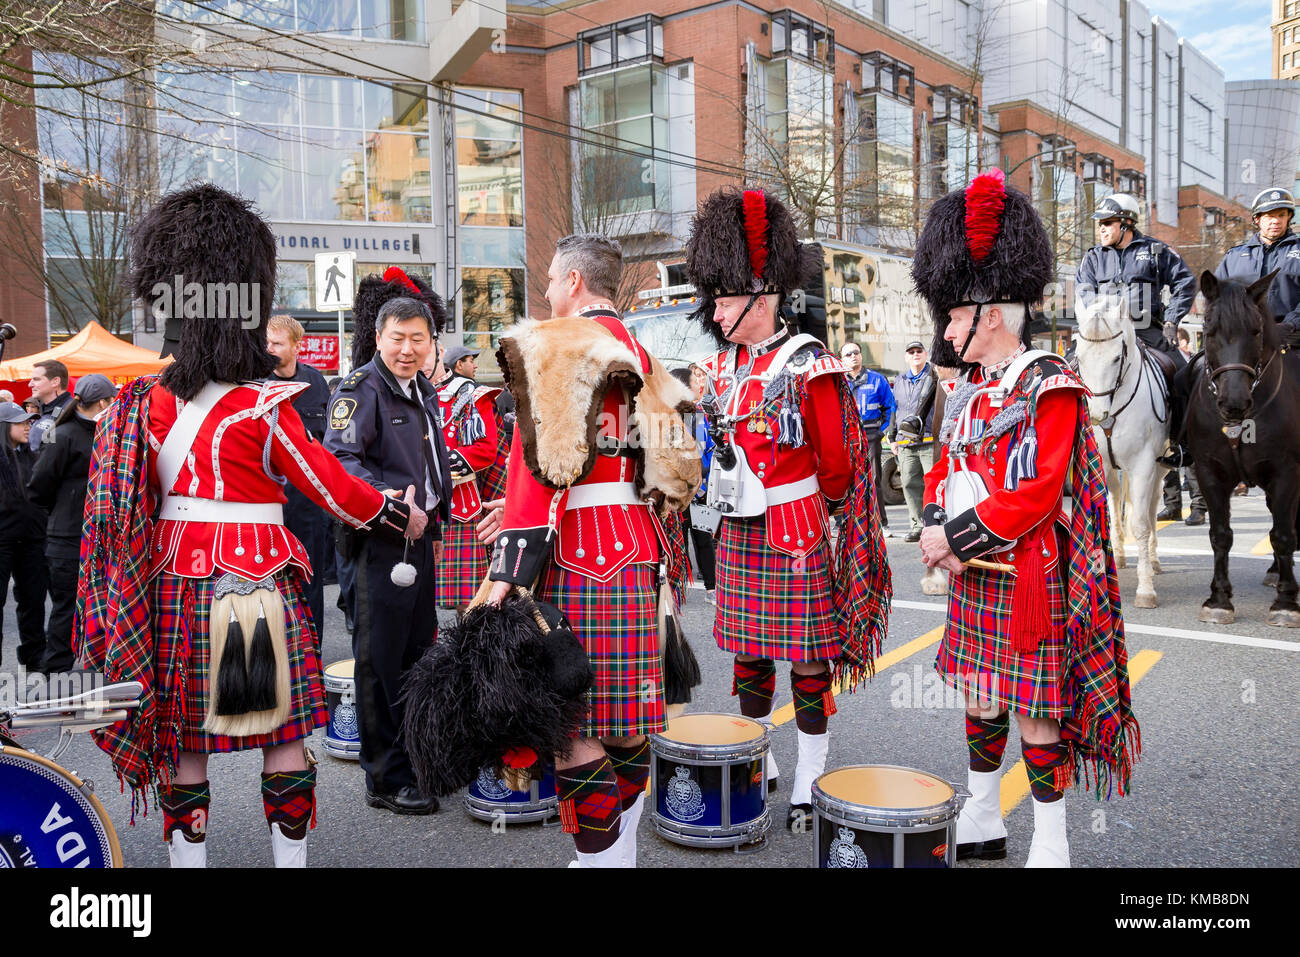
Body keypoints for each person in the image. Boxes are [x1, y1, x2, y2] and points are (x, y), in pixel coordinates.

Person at [74, 184, 425, 868]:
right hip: (259, 576)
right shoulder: (265, 406)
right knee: (280, 735)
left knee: (186, 740)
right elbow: (332, 487)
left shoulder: (142, 403)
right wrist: (395, 511)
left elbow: (127, 509)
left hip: (173, 580)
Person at [912, 168, 1139, 867]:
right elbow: (946, 463)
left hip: (1032, 582)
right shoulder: (972, 389)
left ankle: (1052, 840)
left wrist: (949, 535)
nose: (946, 329)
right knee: (981, 698)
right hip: (976, 577)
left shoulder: (1054, 384)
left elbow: (1040, 492)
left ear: (994, 312)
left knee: (1038, 715)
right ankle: (982, 818)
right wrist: (931, 519)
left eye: (955, 315)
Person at [477, 232, 699, 867]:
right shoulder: (642, 351)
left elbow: (541, 461)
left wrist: (509, 568)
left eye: (550, 281)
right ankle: (611, 858)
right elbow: (678, 468)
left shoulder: (554, 342)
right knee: (625, 725)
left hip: (575, 551)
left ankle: (602, 862)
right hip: (639, 548)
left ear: (573, 282)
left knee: (570, 730)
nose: (545, 293)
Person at [686, 188, 891, 831]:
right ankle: (756, 758)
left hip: (795, 526)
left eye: (723, 300)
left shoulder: (813, 365)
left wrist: (822, 516)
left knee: (806, 657)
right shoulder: (720, 370)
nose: (714, 312)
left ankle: (809, 773)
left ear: (760, 295)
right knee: (747, 655)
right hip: (739, 530)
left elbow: (836, 465)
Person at [325, 293, 452, 817]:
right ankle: (385, 778)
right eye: (397, 338)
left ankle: (417, 761)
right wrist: (386, 502)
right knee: (379, 663)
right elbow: (340, 459)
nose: (406, 348)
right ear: (377, 338)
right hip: (379, 546)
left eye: (417, 339)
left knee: (418, 656)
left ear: (430, 343)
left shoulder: (420, 387)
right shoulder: (359, 389)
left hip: (419, 543)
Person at [27, 374, 116, 673]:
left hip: (95, 534)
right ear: (103, 402)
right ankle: (56, 669)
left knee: (99, 600)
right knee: (66, 605)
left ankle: (97, 662)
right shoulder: (61, 432)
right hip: (67, 536)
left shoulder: (107, 430)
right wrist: (64, 509)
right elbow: (39, 483)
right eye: (112, 399)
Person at [265, 315, 332, 640]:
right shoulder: (254, 382)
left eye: (277, 343)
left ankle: (311, 649)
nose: (269, 349)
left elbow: (326, 443)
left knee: (310, 581)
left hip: (308, 505)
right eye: (267, 342)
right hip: (268, 506)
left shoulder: (315, 382)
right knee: (270, 583)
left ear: (296, 345)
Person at [432, 343, 506, 615]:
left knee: (471, 602)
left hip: (458, 505)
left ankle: (470, 653)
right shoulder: (402, 392)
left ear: (438, 348)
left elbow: (486, 451)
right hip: (413, 503)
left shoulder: (470, 394)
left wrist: (432, 466)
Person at [1215, 187, 1300, 345]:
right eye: (1269, 216)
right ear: (1257, 219)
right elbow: (1217, 297)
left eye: (1281, 215)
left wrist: (1291, 324)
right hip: (1241, 343)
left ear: (1289, 217)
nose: (1276, 221)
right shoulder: (1234, 257)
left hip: (1292, 340)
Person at [0, 401, 47, 671]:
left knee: (33, 600)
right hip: (4, 539)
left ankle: (34, 656)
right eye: (21, 422)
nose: (28, 426)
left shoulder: (32, 454)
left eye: (29, 422)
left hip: (31, 539)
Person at [841, 341, 895, 525]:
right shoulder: (838, 382)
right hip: (847, 436)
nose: (853, 356)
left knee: (874, 479)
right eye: (848, 354)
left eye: (856, 352)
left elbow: (890, 408)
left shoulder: (877, 379)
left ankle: (881, 522)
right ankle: (846, 521)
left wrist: (882, 431)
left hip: (871, 435)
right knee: (846, 479)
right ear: (842, 359)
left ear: (861, 355)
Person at [890, 341, 938, 542]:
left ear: (925, 354)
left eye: (919, 351)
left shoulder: (934, 377)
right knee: (909, 483)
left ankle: (935, 526)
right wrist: (892, 437)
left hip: (928, 440)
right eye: (911, 352)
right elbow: (894, 409)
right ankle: (918, 526)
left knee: (933, 484)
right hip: (905, 443)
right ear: (906, 357)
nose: (916, 354)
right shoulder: (899, 379)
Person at [27, 359, 73, 451]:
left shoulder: (69, 412)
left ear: (55, 381)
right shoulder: (48, 410)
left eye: (36, 379)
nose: (30, 384)